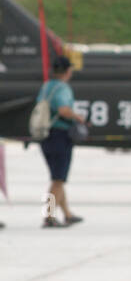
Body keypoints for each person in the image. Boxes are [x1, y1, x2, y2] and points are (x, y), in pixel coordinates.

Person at [35, 55, 86, 228]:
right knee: (58, 179)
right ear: (67, 71)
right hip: (59, 136)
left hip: (45, 136)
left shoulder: (47, 86)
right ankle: (48, 216)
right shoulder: (63, 88)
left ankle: (67, 214)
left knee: (57, 177)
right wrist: (78, 117)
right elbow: (63, 109)